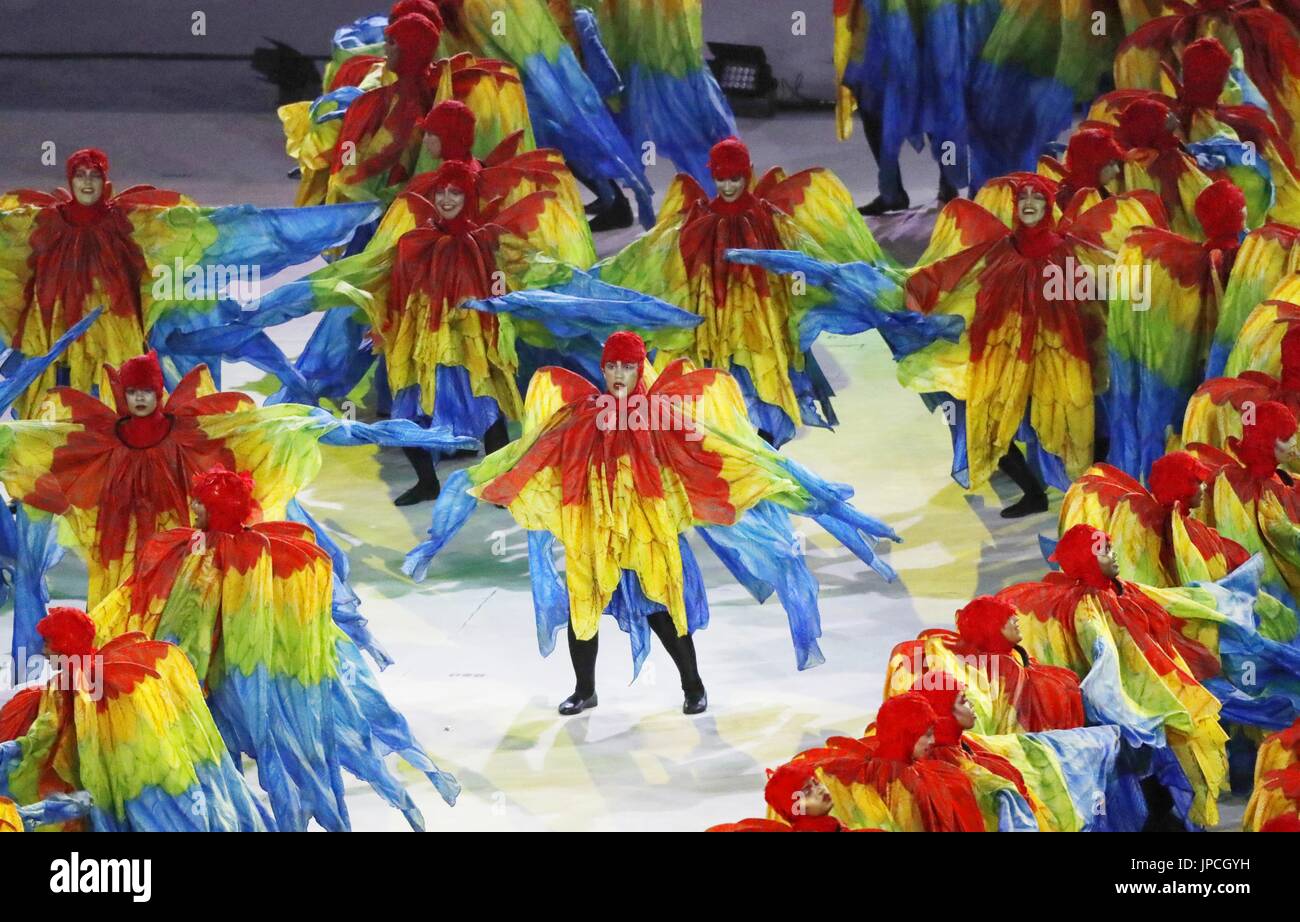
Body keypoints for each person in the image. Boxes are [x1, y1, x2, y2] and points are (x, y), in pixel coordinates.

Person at [405, 331, 903, 715]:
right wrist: (490, 478)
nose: (619, 375)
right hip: (593, 525)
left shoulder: (662, 413)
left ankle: (693, 685)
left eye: (627, 366)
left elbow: (704, 450)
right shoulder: (583, 411)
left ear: (640, 368)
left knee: (663, 603)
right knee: (584, 604)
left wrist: (760, 469)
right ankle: (585, 691)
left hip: (648, 525)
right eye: (612, 366)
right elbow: (538, 450)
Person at [89, 467, 460, 832]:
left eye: (200, 504)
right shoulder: (189, 546)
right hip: (199, 670)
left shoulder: (258, 555)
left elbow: (268, 613)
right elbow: (152, 595)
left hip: (240, 671)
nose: (193, 509)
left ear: (218, 508)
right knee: (216, 745)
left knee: (267, 745)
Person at [0, 147, 375, 416]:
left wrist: (342, 219)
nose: (86, 182)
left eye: (93, 176)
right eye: (79, 176)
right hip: (49, 327)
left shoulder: (130, 223)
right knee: (49, 386)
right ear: (69, 179)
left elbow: (206, 230)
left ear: (105, 181)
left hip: (111, 326)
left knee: (110, 389)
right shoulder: (40, 223)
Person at [597, 136, 897, 447]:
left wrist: (845, 280)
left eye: (735, 179)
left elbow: (802, 255)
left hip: (759, 314)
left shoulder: (767, 216)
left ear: (748, 173)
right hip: (714, 313)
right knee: (722, 368)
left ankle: (764, 434)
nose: (727, 187)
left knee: (757, 367)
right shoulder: (699, 218)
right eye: (720, 179)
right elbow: (654, 254)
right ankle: (731, 430)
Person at [0, 608, 271, 831]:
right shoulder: (69, 684)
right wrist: (12, 748)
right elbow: (45, 731)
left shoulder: (109, 682)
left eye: (49, 644)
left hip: (133, 780)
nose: (44, 652)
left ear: (65, 643)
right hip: (97, 782)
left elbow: (141, 732)